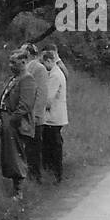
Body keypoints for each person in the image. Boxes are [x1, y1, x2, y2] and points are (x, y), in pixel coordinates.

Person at [0, 51, 35, 198]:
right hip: (7, 121)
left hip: (17, 125)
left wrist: (11, 121)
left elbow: (25, 105)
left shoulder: (27, 80)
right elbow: (2, 99)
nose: (10, 65)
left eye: (14, 62)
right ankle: (15, 189)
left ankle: (18, 191)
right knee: (9, 156)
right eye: (10, 62)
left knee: (16, 156)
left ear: (24, 62)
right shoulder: (14, 79)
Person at [21, 42, 49, 182]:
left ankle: (35, 176)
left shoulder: (39, 68)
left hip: (34, 117)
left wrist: (37, 114)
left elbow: (42, 93)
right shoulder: (23, 67)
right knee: (25, 148)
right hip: (24, 115)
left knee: (34, 148)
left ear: (30, 53)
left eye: (23, 51)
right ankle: (27, 174)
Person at [40, 48, 68, 182]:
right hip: (56, 117)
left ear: (49, 61)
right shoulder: (57, 73)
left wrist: (39, 107)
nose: (43, 67)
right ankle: (54, 173)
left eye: (44, 63)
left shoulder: (55, 76)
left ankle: (56, 174)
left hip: (52, 118)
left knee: (52, 147)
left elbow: (48, 99)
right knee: (52, 146)